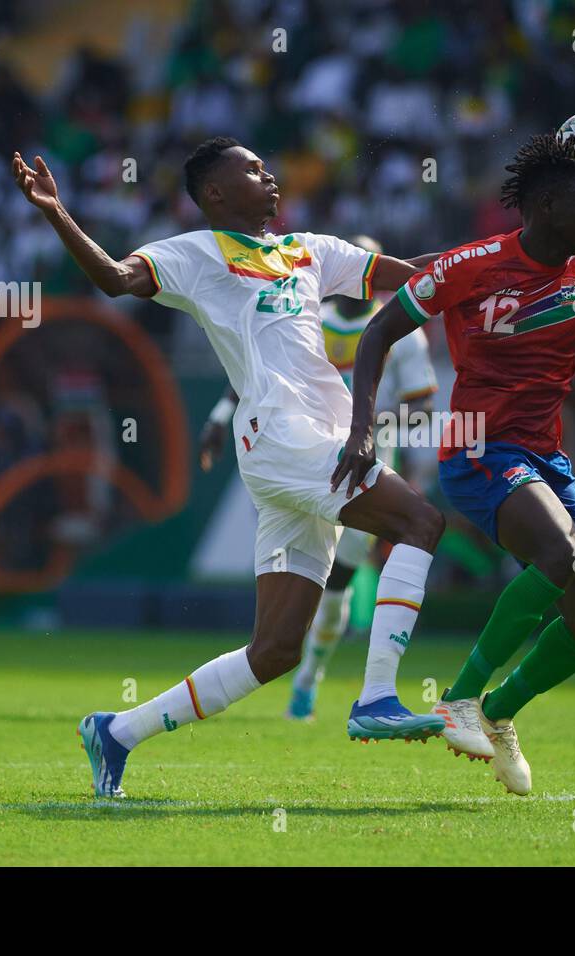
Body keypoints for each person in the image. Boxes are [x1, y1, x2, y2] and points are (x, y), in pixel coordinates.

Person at [13, 138, 447, 798]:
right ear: (215, 193)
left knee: (274, 652)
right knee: (419, 520)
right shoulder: (195, 253)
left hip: (302, 452)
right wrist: (55, 212)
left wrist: (497, 258)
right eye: (251, 167)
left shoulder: (310, 250)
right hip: (284, 437)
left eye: (266, 164)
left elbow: (408, 272)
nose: (269, 172)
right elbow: (114, 278)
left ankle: (115, 732)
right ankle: (377, 697)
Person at [334, 133, 575, 795]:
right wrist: (363, 428)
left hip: (546, 453)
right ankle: (459, 696)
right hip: (476, 445)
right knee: (561, 555)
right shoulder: (470, 264)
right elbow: (378, 332)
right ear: (543, 206)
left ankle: (498, 711)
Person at [198, 235, 439, 722]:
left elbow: (423, 403)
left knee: (338, 588)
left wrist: (374, 422)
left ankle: (309, 677)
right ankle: (291, 662)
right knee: (299, 579)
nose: (361, 283)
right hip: (302, 458)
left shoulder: (402, 330)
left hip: (364, 466)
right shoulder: (310, 312)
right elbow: (250, 368)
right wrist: (221, 417)